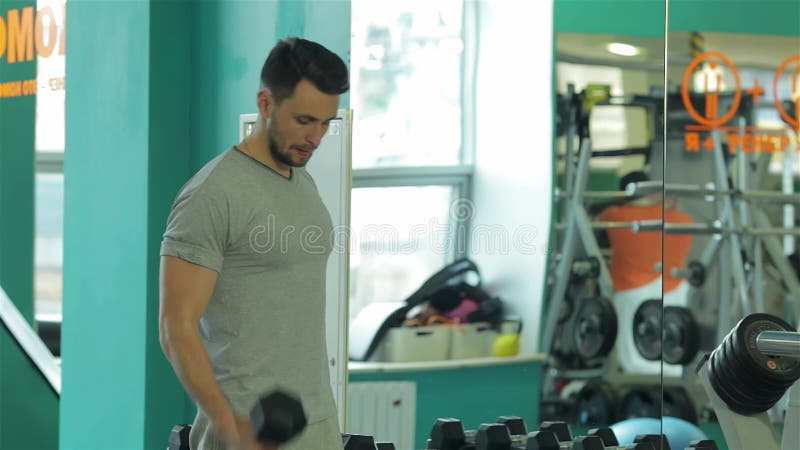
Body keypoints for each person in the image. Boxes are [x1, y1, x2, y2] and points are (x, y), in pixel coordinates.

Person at [158, 37, 349, 450]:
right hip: (247, 431)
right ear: (265, 103)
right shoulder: (212, 194)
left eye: (325, 123)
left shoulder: (304, 184)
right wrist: (229, 425)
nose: (315, 137)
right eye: (304, 120)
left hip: (317, 423)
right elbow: (175, 328)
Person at [598, 171, 693, 293]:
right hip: (677, 291)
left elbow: (598, 217)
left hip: (631, 291)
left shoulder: (613, 215)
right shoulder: (682, 219)